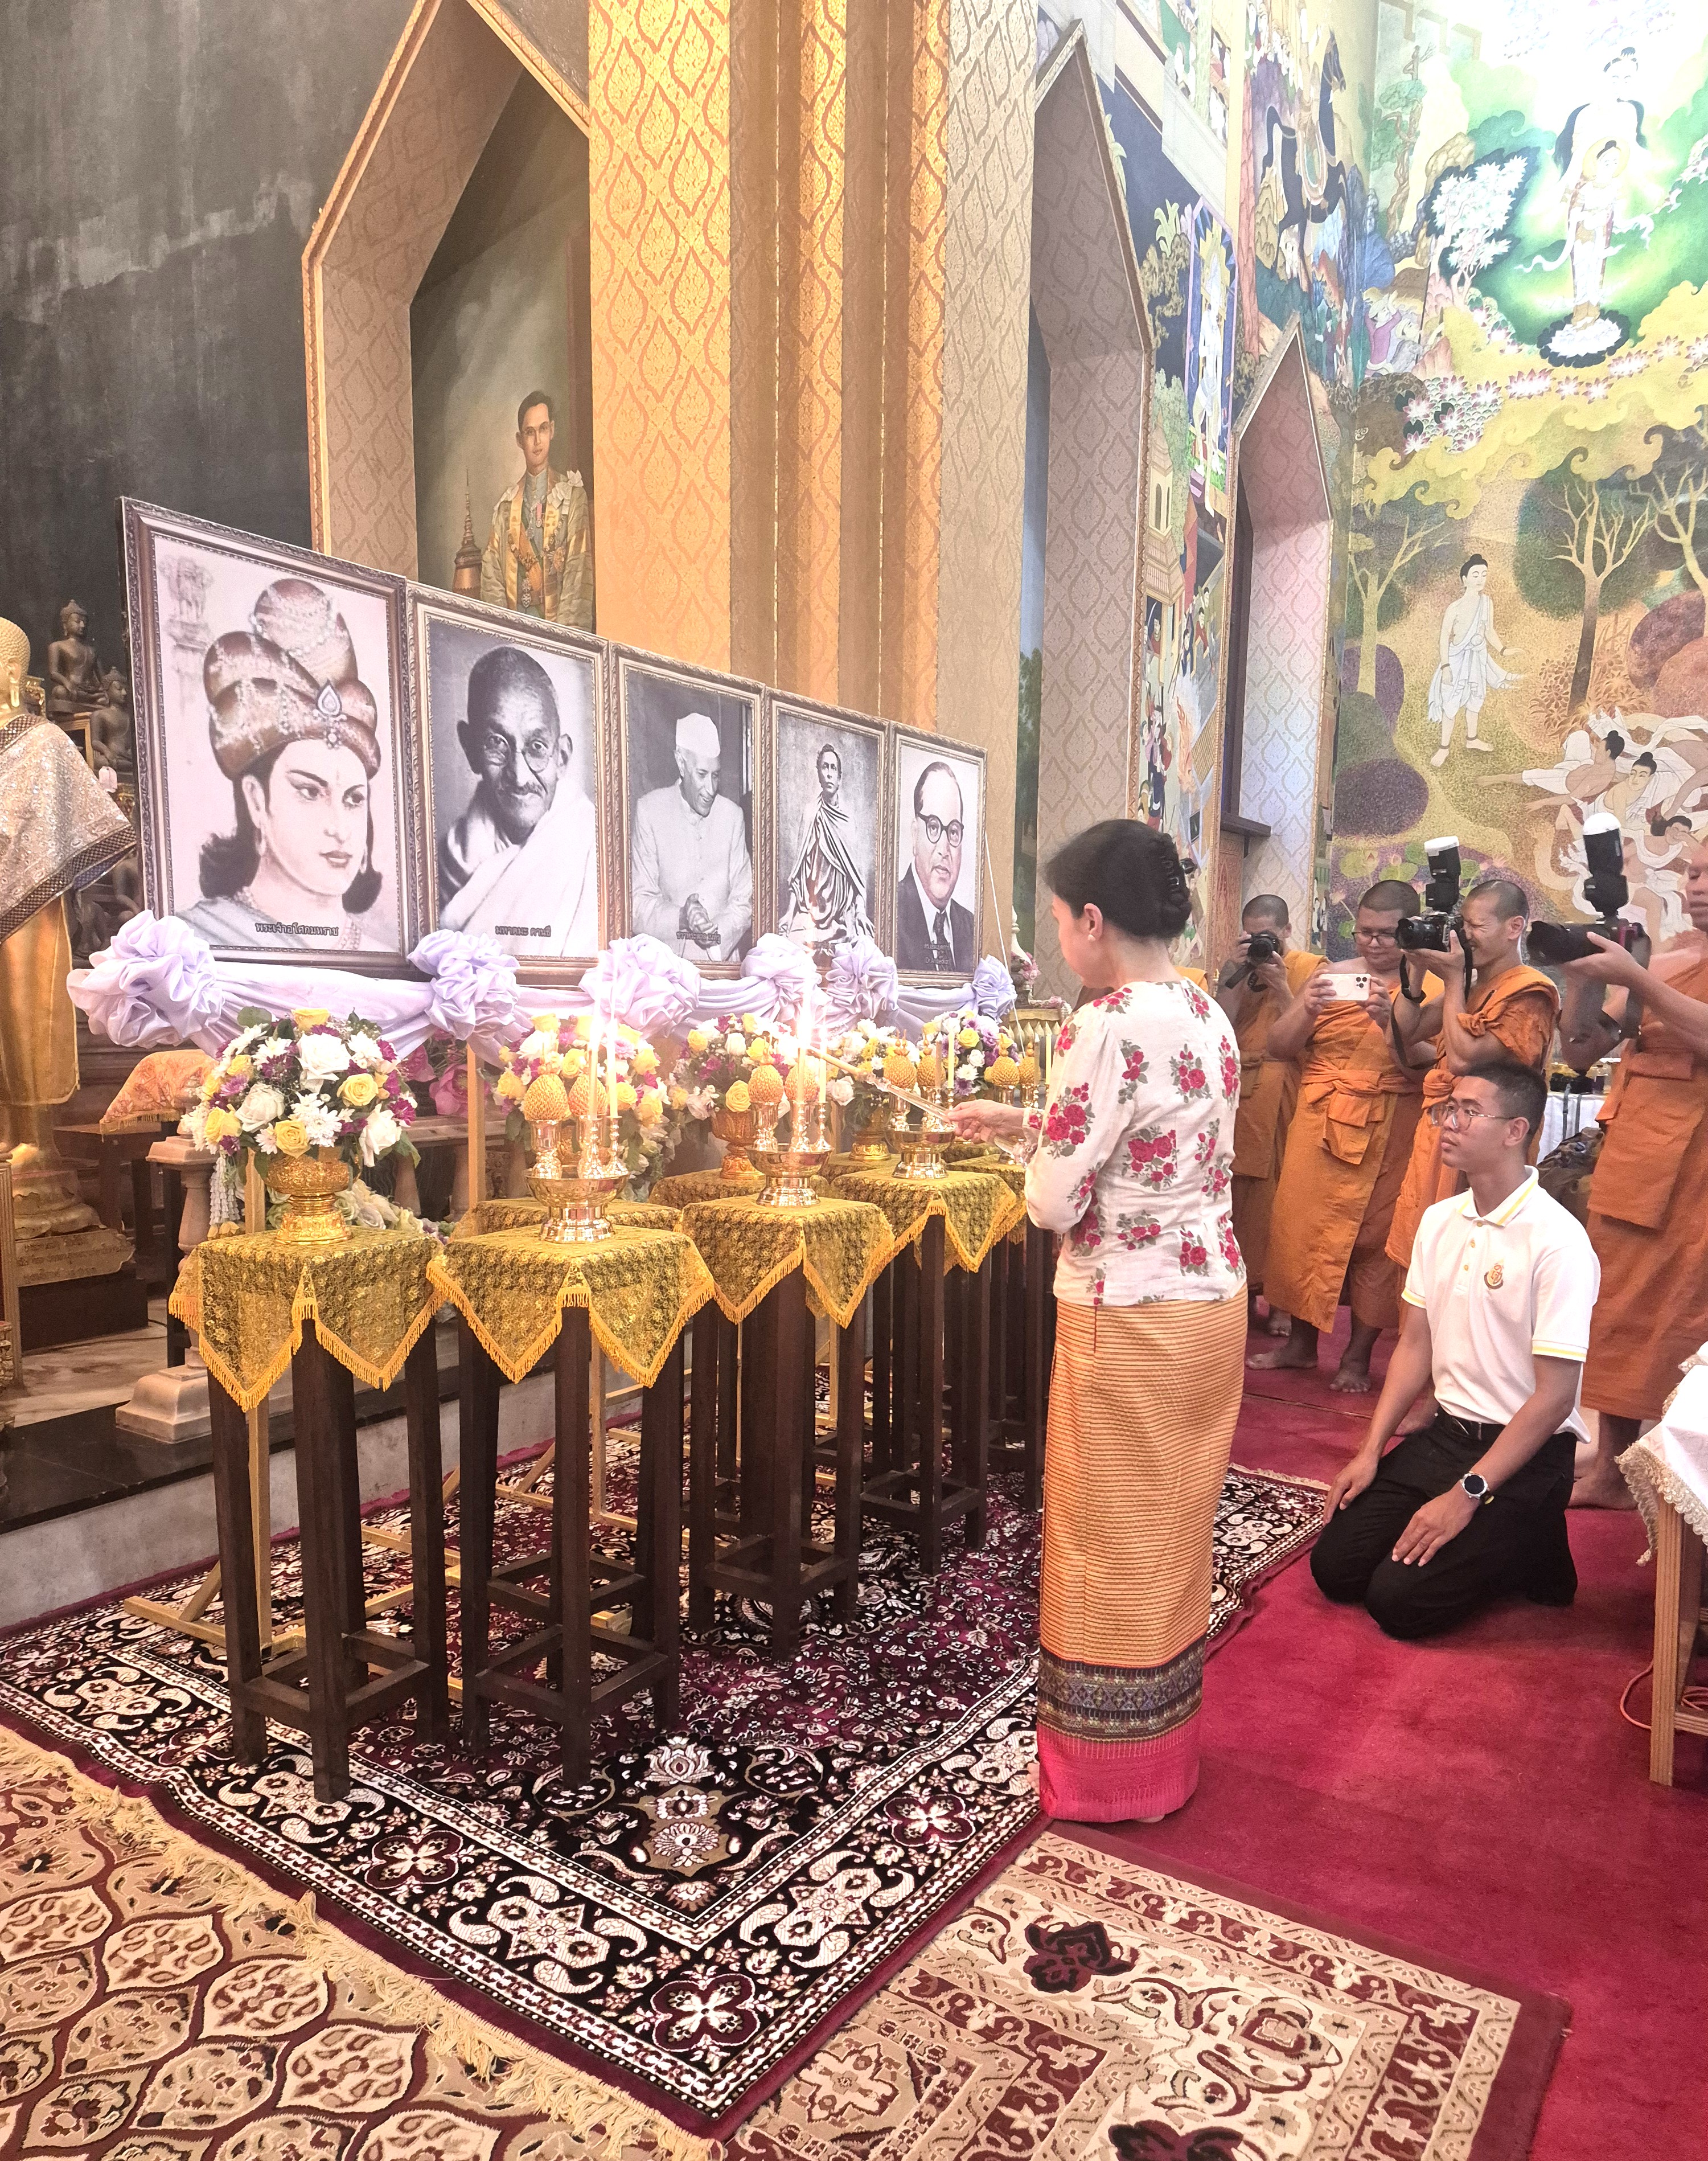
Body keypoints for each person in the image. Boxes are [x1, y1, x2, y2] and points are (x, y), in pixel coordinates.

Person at [947, 820, 1245, 1822]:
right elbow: (1158, 1146)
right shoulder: (1205, 1010)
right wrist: (1028, 1124)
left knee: (1102, 1544)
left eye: (1061, 925)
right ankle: (1165, 1759)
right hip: (1206, 1308)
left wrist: (1035, 1155)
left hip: (1130, 1312)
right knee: (1171, 1543)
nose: (1063, 944)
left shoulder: (1105, 1020)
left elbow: (1053, 1204)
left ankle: (1101, 1783)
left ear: (1090, 919)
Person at [1311, 1062, 1596, 1639]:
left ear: (1515, 1131)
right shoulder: (1439, 1221)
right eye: (1448, 1108)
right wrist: (1370, 1450)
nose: (1449, 1122)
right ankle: (1509, 1535)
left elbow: (1555, 1399)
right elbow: (1415, 1344)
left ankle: (1530, 1539)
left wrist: (1468, 1494)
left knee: (1400, 1604)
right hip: (1445, 1435)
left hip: (1526, 1451)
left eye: (1468, 1111)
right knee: (1336, 1571)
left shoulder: (1558, 1241)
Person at [1559, 834, 1708, 1507]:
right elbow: (1585, 1048)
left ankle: (1680, 1462)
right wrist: (1581, 978)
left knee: (1680, 1310)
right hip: (1638, 1145)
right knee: (1616, 1302)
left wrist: (1635, 977)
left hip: (1698, 1158)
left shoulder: (1654, 969)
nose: (1696, 885)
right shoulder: (1669, 957)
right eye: (1693, 872)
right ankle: (1613, 1464)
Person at [1252, 881, 1440, 1391]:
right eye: (1363, 932)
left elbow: (1429, 1069)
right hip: (1320, 1117)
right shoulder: (1331, 978)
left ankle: (1357, 1357)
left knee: (1377, 1241)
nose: (1372, 944)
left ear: (1408, 932)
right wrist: (1306, 1006)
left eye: (1385, 934)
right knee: (1301, 1229)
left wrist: (1391, 1024)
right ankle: (1300, 1345)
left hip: (1392, 1119)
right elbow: (1279, 1047)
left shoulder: (1433, 988)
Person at [181, 577, 395, 953]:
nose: (340, 829)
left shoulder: (384, 961)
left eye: (354, 799)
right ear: (256, 800)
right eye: (310, 791)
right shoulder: (198, 943)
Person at [1385, 876, 1559, 1270]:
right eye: (1463, 925)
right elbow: (1405, 1032)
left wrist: (1450, 979)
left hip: (1487, 1140)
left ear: (1514, 927)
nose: (1466, 936)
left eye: (1477, 927)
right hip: (1443, 1126)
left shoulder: (1529, 991)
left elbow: (1466, 1061)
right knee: (1424, 1245)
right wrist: (1414, 973)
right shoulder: (1475, 986)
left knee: (1463, 1252)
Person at [437, 645, 597, 955]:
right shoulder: (447, 858)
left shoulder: (591, 842)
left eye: (537, 746)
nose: (520, 777)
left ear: (562, 756)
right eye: (497, 743)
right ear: (471, 749)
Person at [1214, 893, 1321, 1326]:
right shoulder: (1234, 969)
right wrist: (1232, 978)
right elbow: (1219, 1026)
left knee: (1281, 1195)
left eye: (1269, 937)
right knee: (1236, 1193)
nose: (1262, 945)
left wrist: (1280, 984)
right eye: (1252, 935)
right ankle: (1245, 1290)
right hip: (1240, 1091)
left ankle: (1280, 1301)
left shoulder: (1310, 970)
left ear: (1288, 932)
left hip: (1287, 1088)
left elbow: (1311, 1028)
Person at [630, 711, 753, 961]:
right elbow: (638, 906)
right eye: (702, 774)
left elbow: (744, 901)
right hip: (666, 974)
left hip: (724, 971)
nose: (710, 789)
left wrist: (715, 937)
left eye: (716, 775)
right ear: (681, 763)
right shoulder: (650, 811)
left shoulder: (732, 817)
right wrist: (682, 918)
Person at [480, 391, 593, 629]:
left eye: (543, 430)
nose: (538, 441)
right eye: (530, 433)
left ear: (552, 430)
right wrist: (506, 636)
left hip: (558, 635)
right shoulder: (505, 509)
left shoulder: (573, 498)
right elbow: (493, 585)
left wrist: (565, 647)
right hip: (515, 633)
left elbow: (577, 578)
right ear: (520, 440)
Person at [1427, 557, 1521, 769]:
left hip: (1478, 658)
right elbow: (1444, 637)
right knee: (1451, 703)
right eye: (1476, 575)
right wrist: (1446, 666)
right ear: (1465, 579)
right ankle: (1444, 748)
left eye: (1484, 574)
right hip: (1456, 659)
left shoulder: (1487, 603)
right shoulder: (1455, 607)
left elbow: (1489, 631)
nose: (1481, 579)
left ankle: (1472, 740)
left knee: (1475, 699)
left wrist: (1503, 650)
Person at [783, 742, 872, 954]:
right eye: (825, 767)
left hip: (842, 915)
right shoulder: (810, 814)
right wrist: (789, 913)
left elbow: (857, 880)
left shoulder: (848, 822)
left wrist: (860, 912)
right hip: (811, 914)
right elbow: (798, 874)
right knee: (789, 945)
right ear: (819, 774)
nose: (829, 774)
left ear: (840, 777)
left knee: (863, 948)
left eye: (833, 768)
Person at [896, 761, 975, 973]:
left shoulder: (972, 927)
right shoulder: (888, 913)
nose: (944, 849)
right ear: (914, 835)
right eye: (933, 827)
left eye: (954, 831)